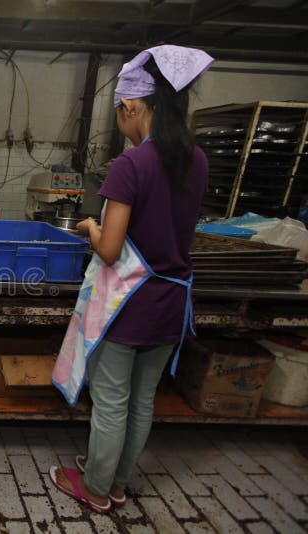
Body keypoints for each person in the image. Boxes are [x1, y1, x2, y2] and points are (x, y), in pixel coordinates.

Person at [50, 45, 213, 513]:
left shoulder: (131, 165)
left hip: (128, 303)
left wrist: (89, 226)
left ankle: (96, 489)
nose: (121, 124)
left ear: (132, 107)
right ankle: (117, 479)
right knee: (143, 402)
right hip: (172, 301)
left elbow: (110, 248)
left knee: (111, 402)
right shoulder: (195, 160)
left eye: (121, 114)